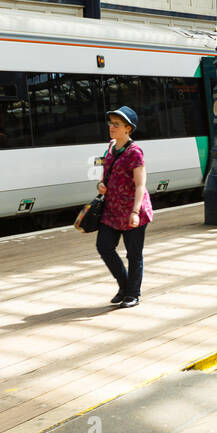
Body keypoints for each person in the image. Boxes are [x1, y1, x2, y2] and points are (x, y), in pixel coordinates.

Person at [77, 105, 152, 309]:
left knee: (133, 254)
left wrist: (135, 212)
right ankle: (124, 285)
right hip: (111, 209)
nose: (112, 127)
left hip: (132, 210)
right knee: (104, 246)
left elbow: (140, 185)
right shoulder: (111, 147)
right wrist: (101, 185)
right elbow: (108, 174)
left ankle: (133, 294)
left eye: (117, 124)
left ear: (128, 128)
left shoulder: (135, 152)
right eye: (111, 123)